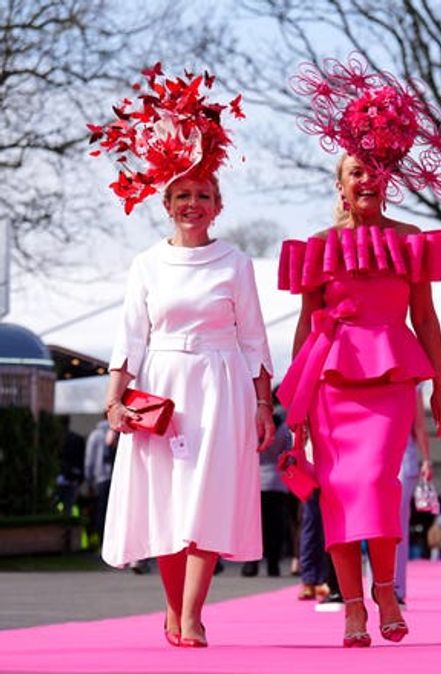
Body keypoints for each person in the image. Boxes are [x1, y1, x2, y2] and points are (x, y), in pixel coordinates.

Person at [279, 55, 441, 648]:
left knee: (379, 482)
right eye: (357, 171)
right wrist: (295, 408)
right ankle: (352, 606)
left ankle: (387, 590)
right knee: (337, 491)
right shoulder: (319, 247)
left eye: (377, 171)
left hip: (391, 382)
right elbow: (305, 329)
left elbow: (426, 318)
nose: (368, 181)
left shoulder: (412, 242)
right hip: (330, 386)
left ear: (390, 178)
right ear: (340, 182)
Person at [94, 66, 274, 648]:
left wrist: (263, 405)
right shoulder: (146, 264)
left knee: (207, 499)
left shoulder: (236, 264)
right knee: (168, 505)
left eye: (203, 195)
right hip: (163, 387)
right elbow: (130, 338)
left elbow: (254, 343)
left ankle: (193, 614)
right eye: (183, 195)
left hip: (222, 388)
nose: (193, 203)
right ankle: (175, 609)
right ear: (167, 202)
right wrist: (114, 398)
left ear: (216, 204)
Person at [243, 403, 292, 578]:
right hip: (277, 482)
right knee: (275, 527)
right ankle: (273, 564)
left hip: (255, 480)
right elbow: (288, 452)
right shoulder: (283, 427)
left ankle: (251, 564)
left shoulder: (252, 423)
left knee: (254, 526)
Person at [395, 386, 434, 606]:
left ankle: (396, 587)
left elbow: (419, 424)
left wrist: (426, 459)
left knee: (398, 524)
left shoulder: (413, 380)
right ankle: (378, 584)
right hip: (371, 454)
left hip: (403, 456)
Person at [83, 420, 118, 546]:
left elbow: (89, 460)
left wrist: (89, 481)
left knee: (101, 511)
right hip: (115, 478)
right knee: (116, 511)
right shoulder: (118, 433)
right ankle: (114, 542)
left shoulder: (95, 435)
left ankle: (102, 541)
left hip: (100, 478)